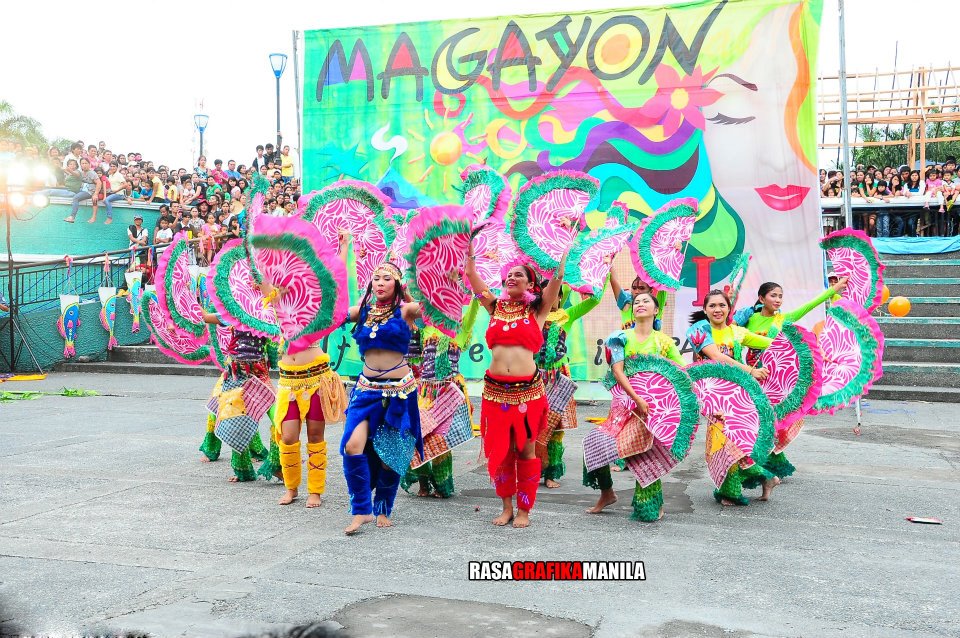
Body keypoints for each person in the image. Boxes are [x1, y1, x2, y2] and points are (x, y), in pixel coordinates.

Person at [465, 248, 566, 529]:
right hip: (495, 392)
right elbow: (472, 276)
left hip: (527, 393)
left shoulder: (538, 309)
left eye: (518, 275)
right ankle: (506, 507)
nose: (511, 277)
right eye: (508, 274)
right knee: (502, 450)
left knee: (525, 451)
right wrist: (472, 251)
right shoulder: (494, 306)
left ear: (531, 284)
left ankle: (525, 510)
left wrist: (563, 249)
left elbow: (557, 278)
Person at [731, 278, 848, 480]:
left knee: (774, 420)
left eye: (780, 296)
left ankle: (767, 462)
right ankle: (764, 463)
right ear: (761, 298)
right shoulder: (747, 319)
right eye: (773, 295)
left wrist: (833, 291)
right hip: (751, 374)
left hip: (774, 378)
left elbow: (810, 305)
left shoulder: (783, 319)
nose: (777, 300)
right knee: (754, 419)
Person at [584, 292, 686, 521]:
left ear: (656, 310)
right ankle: (607, 493)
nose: (639, 304)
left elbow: (682, 374)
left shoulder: (664, 342)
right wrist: (636, 399)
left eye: (645, 301)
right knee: (594, 444)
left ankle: (651, 502)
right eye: (636, 302)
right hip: (624, 408)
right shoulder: (620, 337)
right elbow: (617, 371)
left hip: (652, 411)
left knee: (645, 456)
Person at [341, 260, 424, 535]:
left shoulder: (405, 310)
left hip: (397, 391)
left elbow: (428, 310)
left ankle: (384, 506)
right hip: (365, 390)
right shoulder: (363, 312)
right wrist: (342, 255)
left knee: (390, 455)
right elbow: (335, 311)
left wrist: (412, 293)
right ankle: (361, 510)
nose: (379, 283)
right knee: (353, 445)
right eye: (376, 278)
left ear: (397, 284)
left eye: (386, 279)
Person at [687, 289, 775, 506]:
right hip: (711, 394)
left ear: (729, 309)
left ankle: (731, 491)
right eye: (712, 306)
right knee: (718, 443)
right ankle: (766, 477)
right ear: (705, 310)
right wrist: (749, 370)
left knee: (731, 441)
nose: (717, 309)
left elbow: (772, 344)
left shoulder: (738, 332)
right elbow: (716, 357)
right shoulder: (699, 329)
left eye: (722, 305)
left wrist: (816, 351)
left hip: (737, 394)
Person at [401, 299, 480, 499]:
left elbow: (472, 309)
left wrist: (473, 289)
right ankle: (423, 483)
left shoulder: (460, 329)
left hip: (448, 392)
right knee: (417, 437)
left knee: (439, 441)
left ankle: (442, 486)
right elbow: (414, 310)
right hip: (425, 391)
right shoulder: (425, 329)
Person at [535, 283, 601, 488]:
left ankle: (551, 473)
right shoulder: (531, 316)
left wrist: (603, 272)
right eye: (546, 293)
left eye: (555, 293)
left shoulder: (566, 315)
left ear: (560, 297)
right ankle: (533, 469)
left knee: (555, 427)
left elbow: (595, 300)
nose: (551, 296)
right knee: (532, 426)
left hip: (558, 377)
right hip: (533, 375)